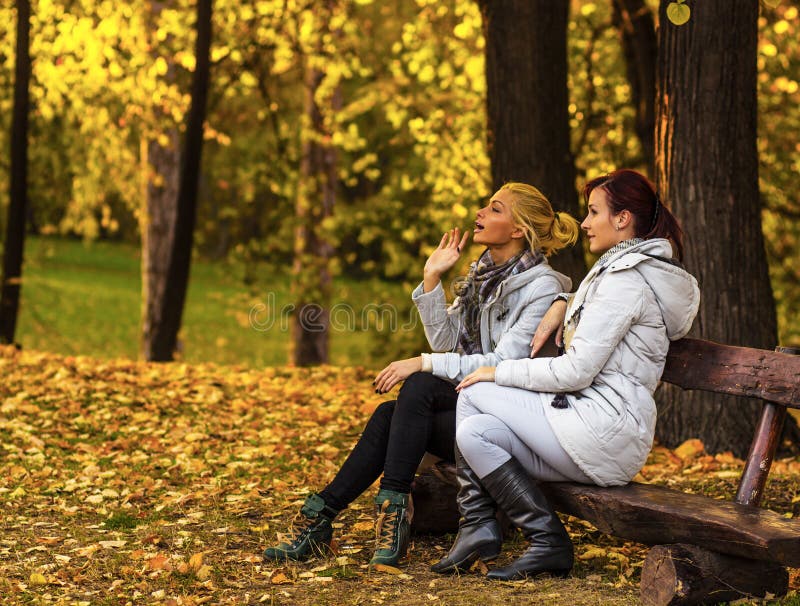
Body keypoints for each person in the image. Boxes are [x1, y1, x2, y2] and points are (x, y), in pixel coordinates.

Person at [264, 183, 581, 567]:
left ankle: (358, 515)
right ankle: (331, 516)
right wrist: (431, 278)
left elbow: (501, 365)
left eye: (494, 209)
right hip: (474, 407)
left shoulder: (541, 287)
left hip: (509, 423)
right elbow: (447, 339)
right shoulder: (483, 275)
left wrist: (422, 362)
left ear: (518, 230)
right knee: (390, 413)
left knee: (418, 384)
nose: (480, 213)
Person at [432, 169, 700, 580]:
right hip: (591, 426)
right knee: (474, 432)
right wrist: (563, 298)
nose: (586, 223)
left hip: (606, 430)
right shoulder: (618, 272)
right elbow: (595, 312)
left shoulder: (626, 280)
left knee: (474, 393)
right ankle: (532, 537)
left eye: (594, 213)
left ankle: (501, 530)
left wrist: (498, 371)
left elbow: (575, 371)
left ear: (623, 219)